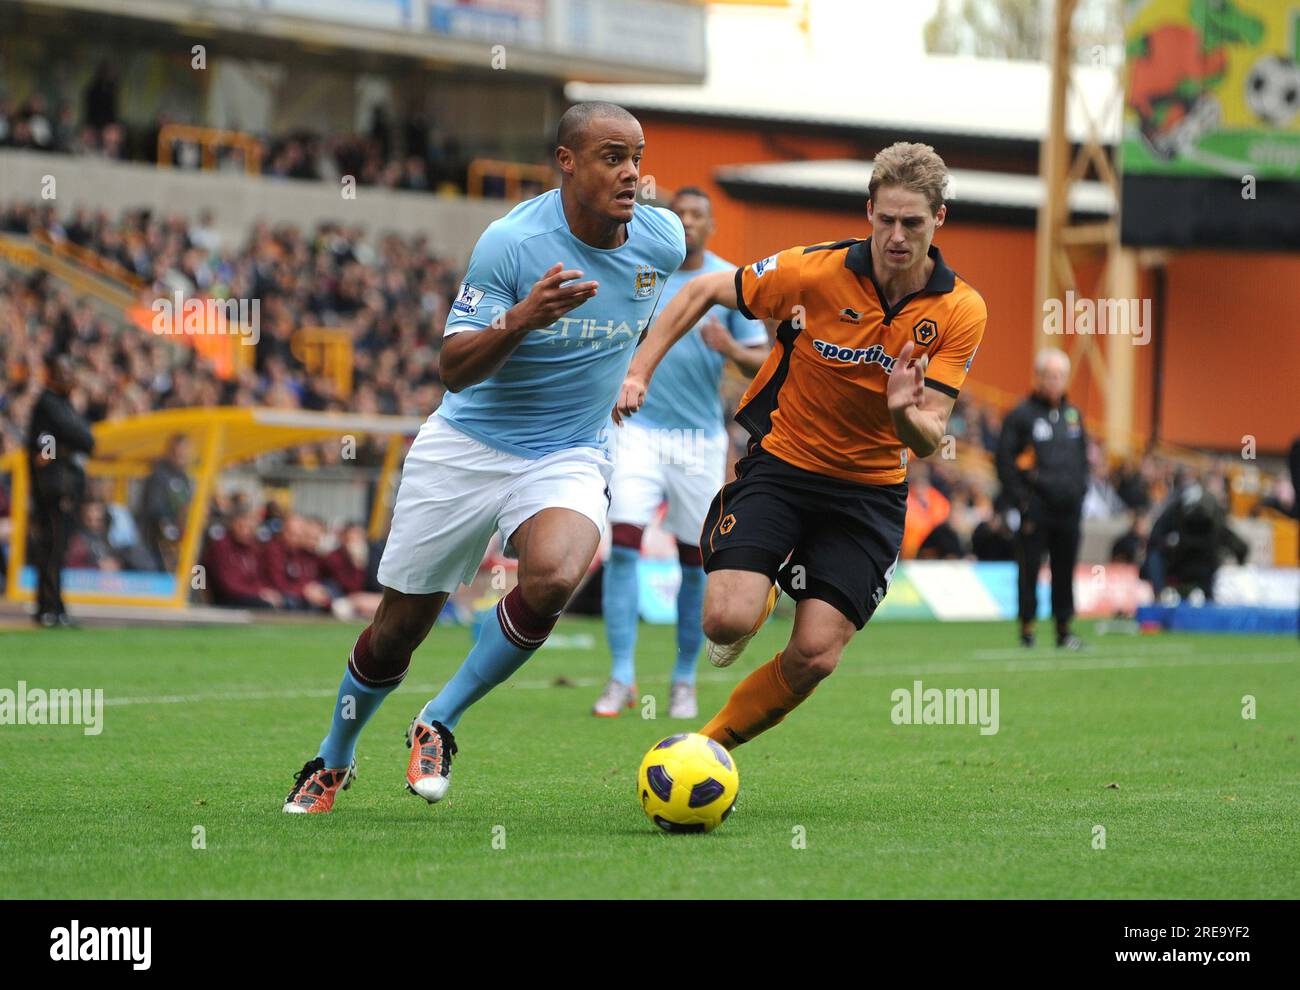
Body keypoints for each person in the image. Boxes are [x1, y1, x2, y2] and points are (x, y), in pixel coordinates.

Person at [284, 102, 686, 813]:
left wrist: (632, 371)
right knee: (397, 630)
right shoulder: (511, 242)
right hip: (466, 448)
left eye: (637, 156)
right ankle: (332, 759)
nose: (632, 173)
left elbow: (664, 311)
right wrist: (522, 319)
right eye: (612, 157)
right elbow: (452, 367)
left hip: (568, 451)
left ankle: (438, 719)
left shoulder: (662, 243)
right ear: (566, 162)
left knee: (557, 573)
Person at [616, 142, 985, 752]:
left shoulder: (960, 309)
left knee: (815, 654)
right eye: (885, 219)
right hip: (783, 466)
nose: (896, 235)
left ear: (938, 221)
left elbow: (928, 436)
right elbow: (700, 291)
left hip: (868, 494)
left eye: (912, 223)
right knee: (725, 619)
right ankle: (753, 599)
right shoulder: (813, 271)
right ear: (869, 210)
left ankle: (701, 750)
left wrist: (903, 411)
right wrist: (640, 372)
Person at [594, 186, 768, 720]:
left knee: (696, 561)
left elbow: (761, 359)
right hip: (638, 431)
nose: (689, 222)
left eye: (698, 215)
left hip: (699, 439)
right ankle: (621, 676)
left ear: (712, 226)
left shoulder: (728, 278)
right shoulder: (642, 270)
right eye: (679, 215)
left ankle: (683, 680)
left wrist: (730, 348)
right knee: (623, 543)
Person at [996, 348, 1088, 650]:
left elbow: (1083, 459)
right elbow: (1004, 461)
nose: (1055, 382)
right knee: (1030, 569)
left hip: (1068, 509)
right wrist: (1021, 500)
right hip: (1036, 508)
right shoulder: (1021, 415)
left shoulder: (1073, 415)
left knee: (1065, 570)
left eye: (1060, 376)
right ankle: (1027, 630)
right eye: (1049, 376)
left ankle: (1064, 629)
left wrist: (1080, 490)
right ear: (1038, 378)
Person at [27, 353, 95, 627]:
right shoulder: (49, 404)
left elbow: (85, 439)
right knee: (52, 548)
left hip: (61, 488)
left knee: (56, 548)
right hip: (55, 491)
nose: (70, 378)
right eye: (64, 372)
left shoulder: (61, 404)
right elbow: (83, 437)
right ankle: (49, 608)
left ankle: (53, 606)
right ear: (52, 375)